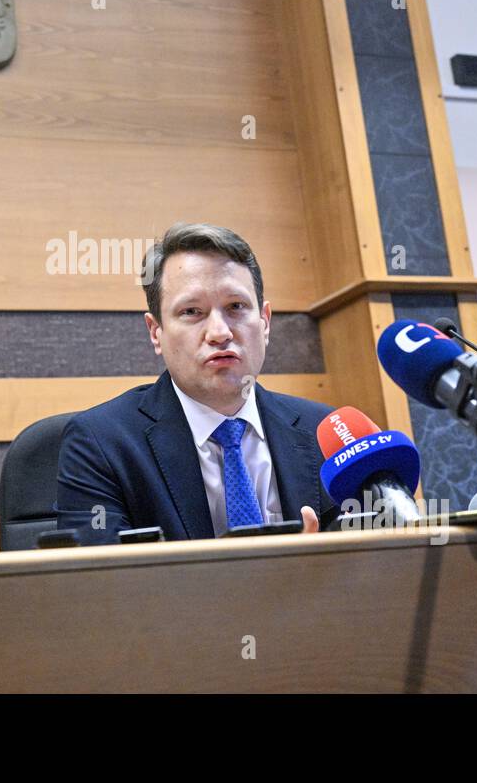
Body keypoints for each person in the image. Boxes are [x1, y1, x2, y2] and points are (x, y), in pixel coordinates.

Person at [56, 223, 340, 544]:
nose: (219, 332)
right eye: (192, 311)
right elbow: (102, 583)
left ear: (265, 322)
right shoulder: (101, 444)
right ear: (156, 332)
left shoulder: (327, 434)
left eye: (236, 307)